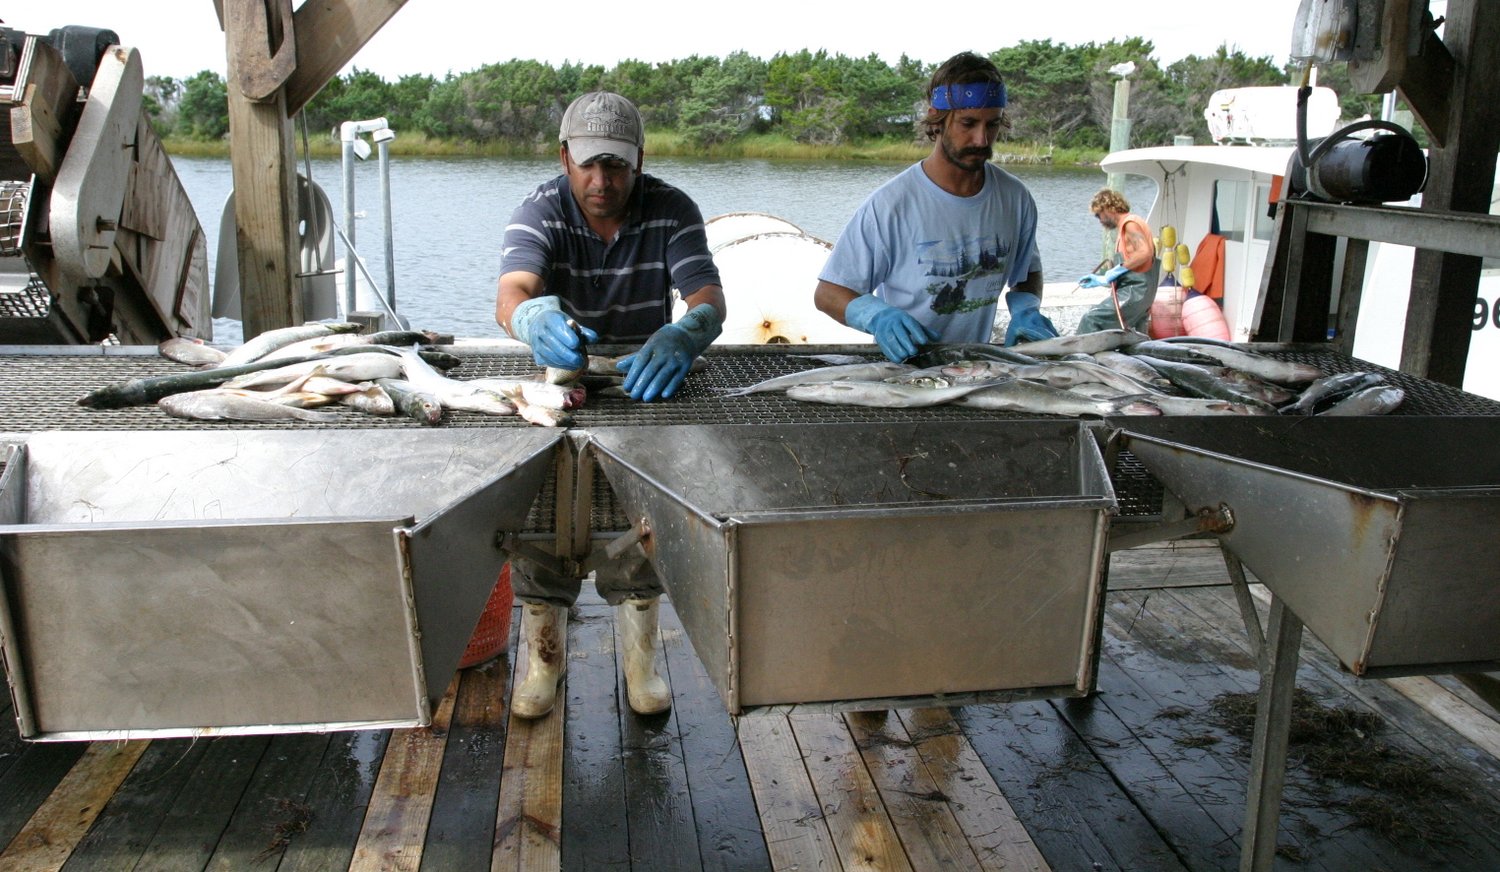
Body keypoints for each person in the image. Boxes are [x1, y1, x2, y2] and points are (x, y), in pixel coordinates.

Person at [494, 90, 726, 719]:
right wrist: (531, 316)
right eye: (589, 165)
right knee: (543, 526)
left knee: (639, 521)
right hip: (561, 369)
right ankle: (543, 660)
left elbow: (706, 292)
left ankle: (642, 664)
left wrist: (688, 331)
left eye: (618, 166)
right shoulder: (539, 209)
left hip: (644, 371)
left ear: (639, 161)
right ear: (564, 157)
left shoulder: (672, 207)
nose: (602, 181)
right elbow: (512, 289)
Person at [813, 51, 1058, 359]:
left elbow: (1026, 271)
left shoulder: (1015, 198)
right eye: (968, 123)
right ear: (936, 119)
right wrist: (876, 316)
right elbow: (829, 293)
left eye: (992, 124)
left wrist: (1027, 308)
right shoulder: (892, 205)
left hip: (975, 364)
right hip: (903, 369)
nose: (982, 140)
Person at [1076, 188, 1160, 333]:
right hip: (1142, 294)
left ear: (1108, 208)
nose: (1100, 221)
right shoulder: (1129, 225)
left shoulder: (1130, 224)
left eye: (1098, 215)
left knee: (1091, 319)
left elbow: (1145, 252)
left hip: (1135, 293)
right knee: (1134, 341)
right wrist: (1103, 279)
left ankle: (1077, 354)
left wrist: (1117, 269)